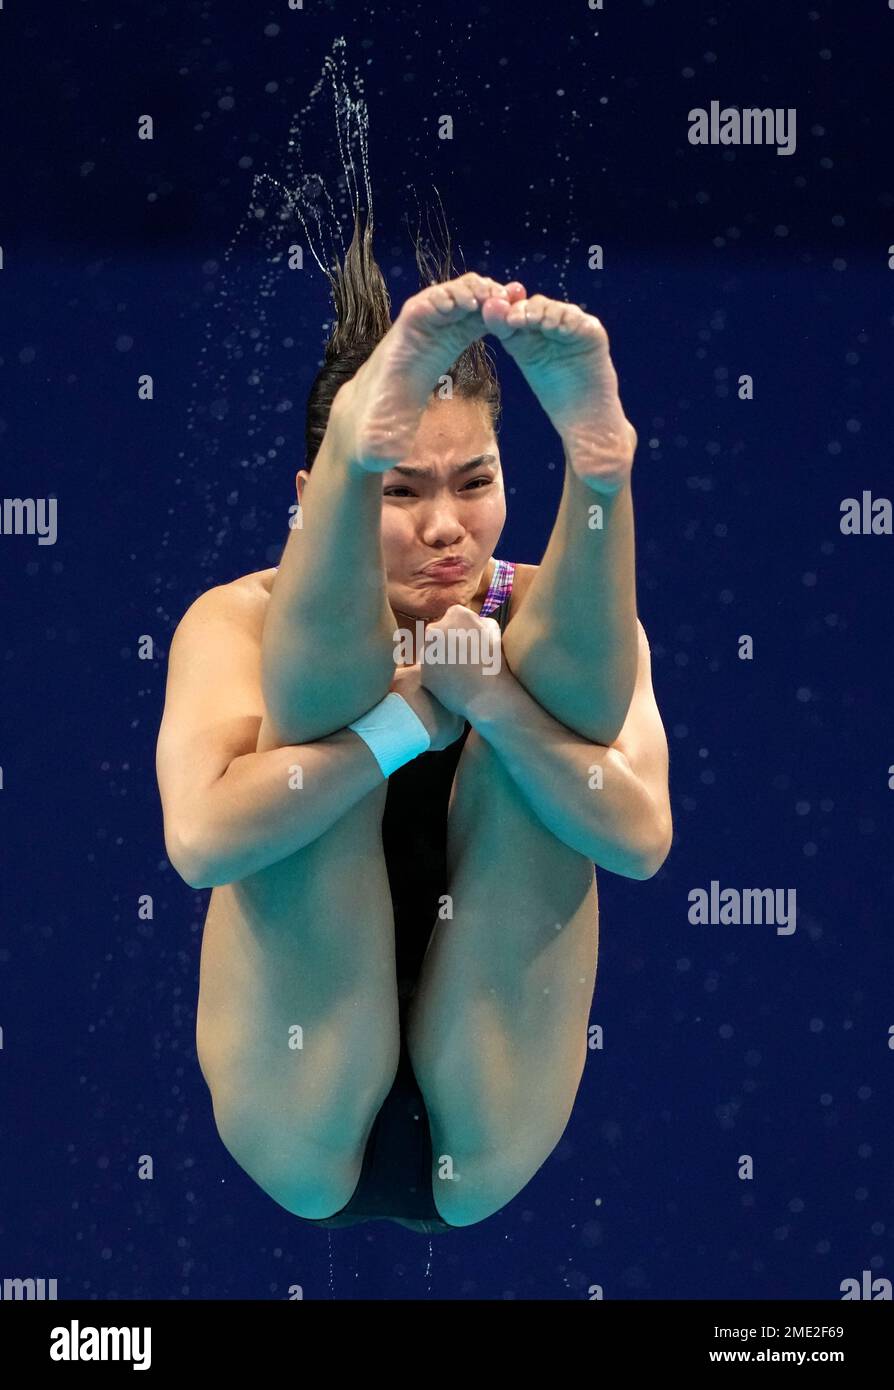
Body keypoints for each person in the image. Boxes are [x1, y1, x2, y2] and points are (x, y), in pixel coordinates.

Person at [155, 206, 672, 1234]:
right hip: (300, 1104)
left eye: (476, 481)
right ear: (315, 497)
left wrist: (491, 705)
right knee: (313, 731)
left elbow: (640, 838)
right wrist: (398, 724)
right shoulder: (238, 619)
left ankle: (602, 472)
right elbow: (204, 843)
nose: (447, 526)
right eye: (399, 489)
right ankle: (367, 461)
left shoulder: (554, 620)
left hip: (484, 1114)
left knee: (540, 747)